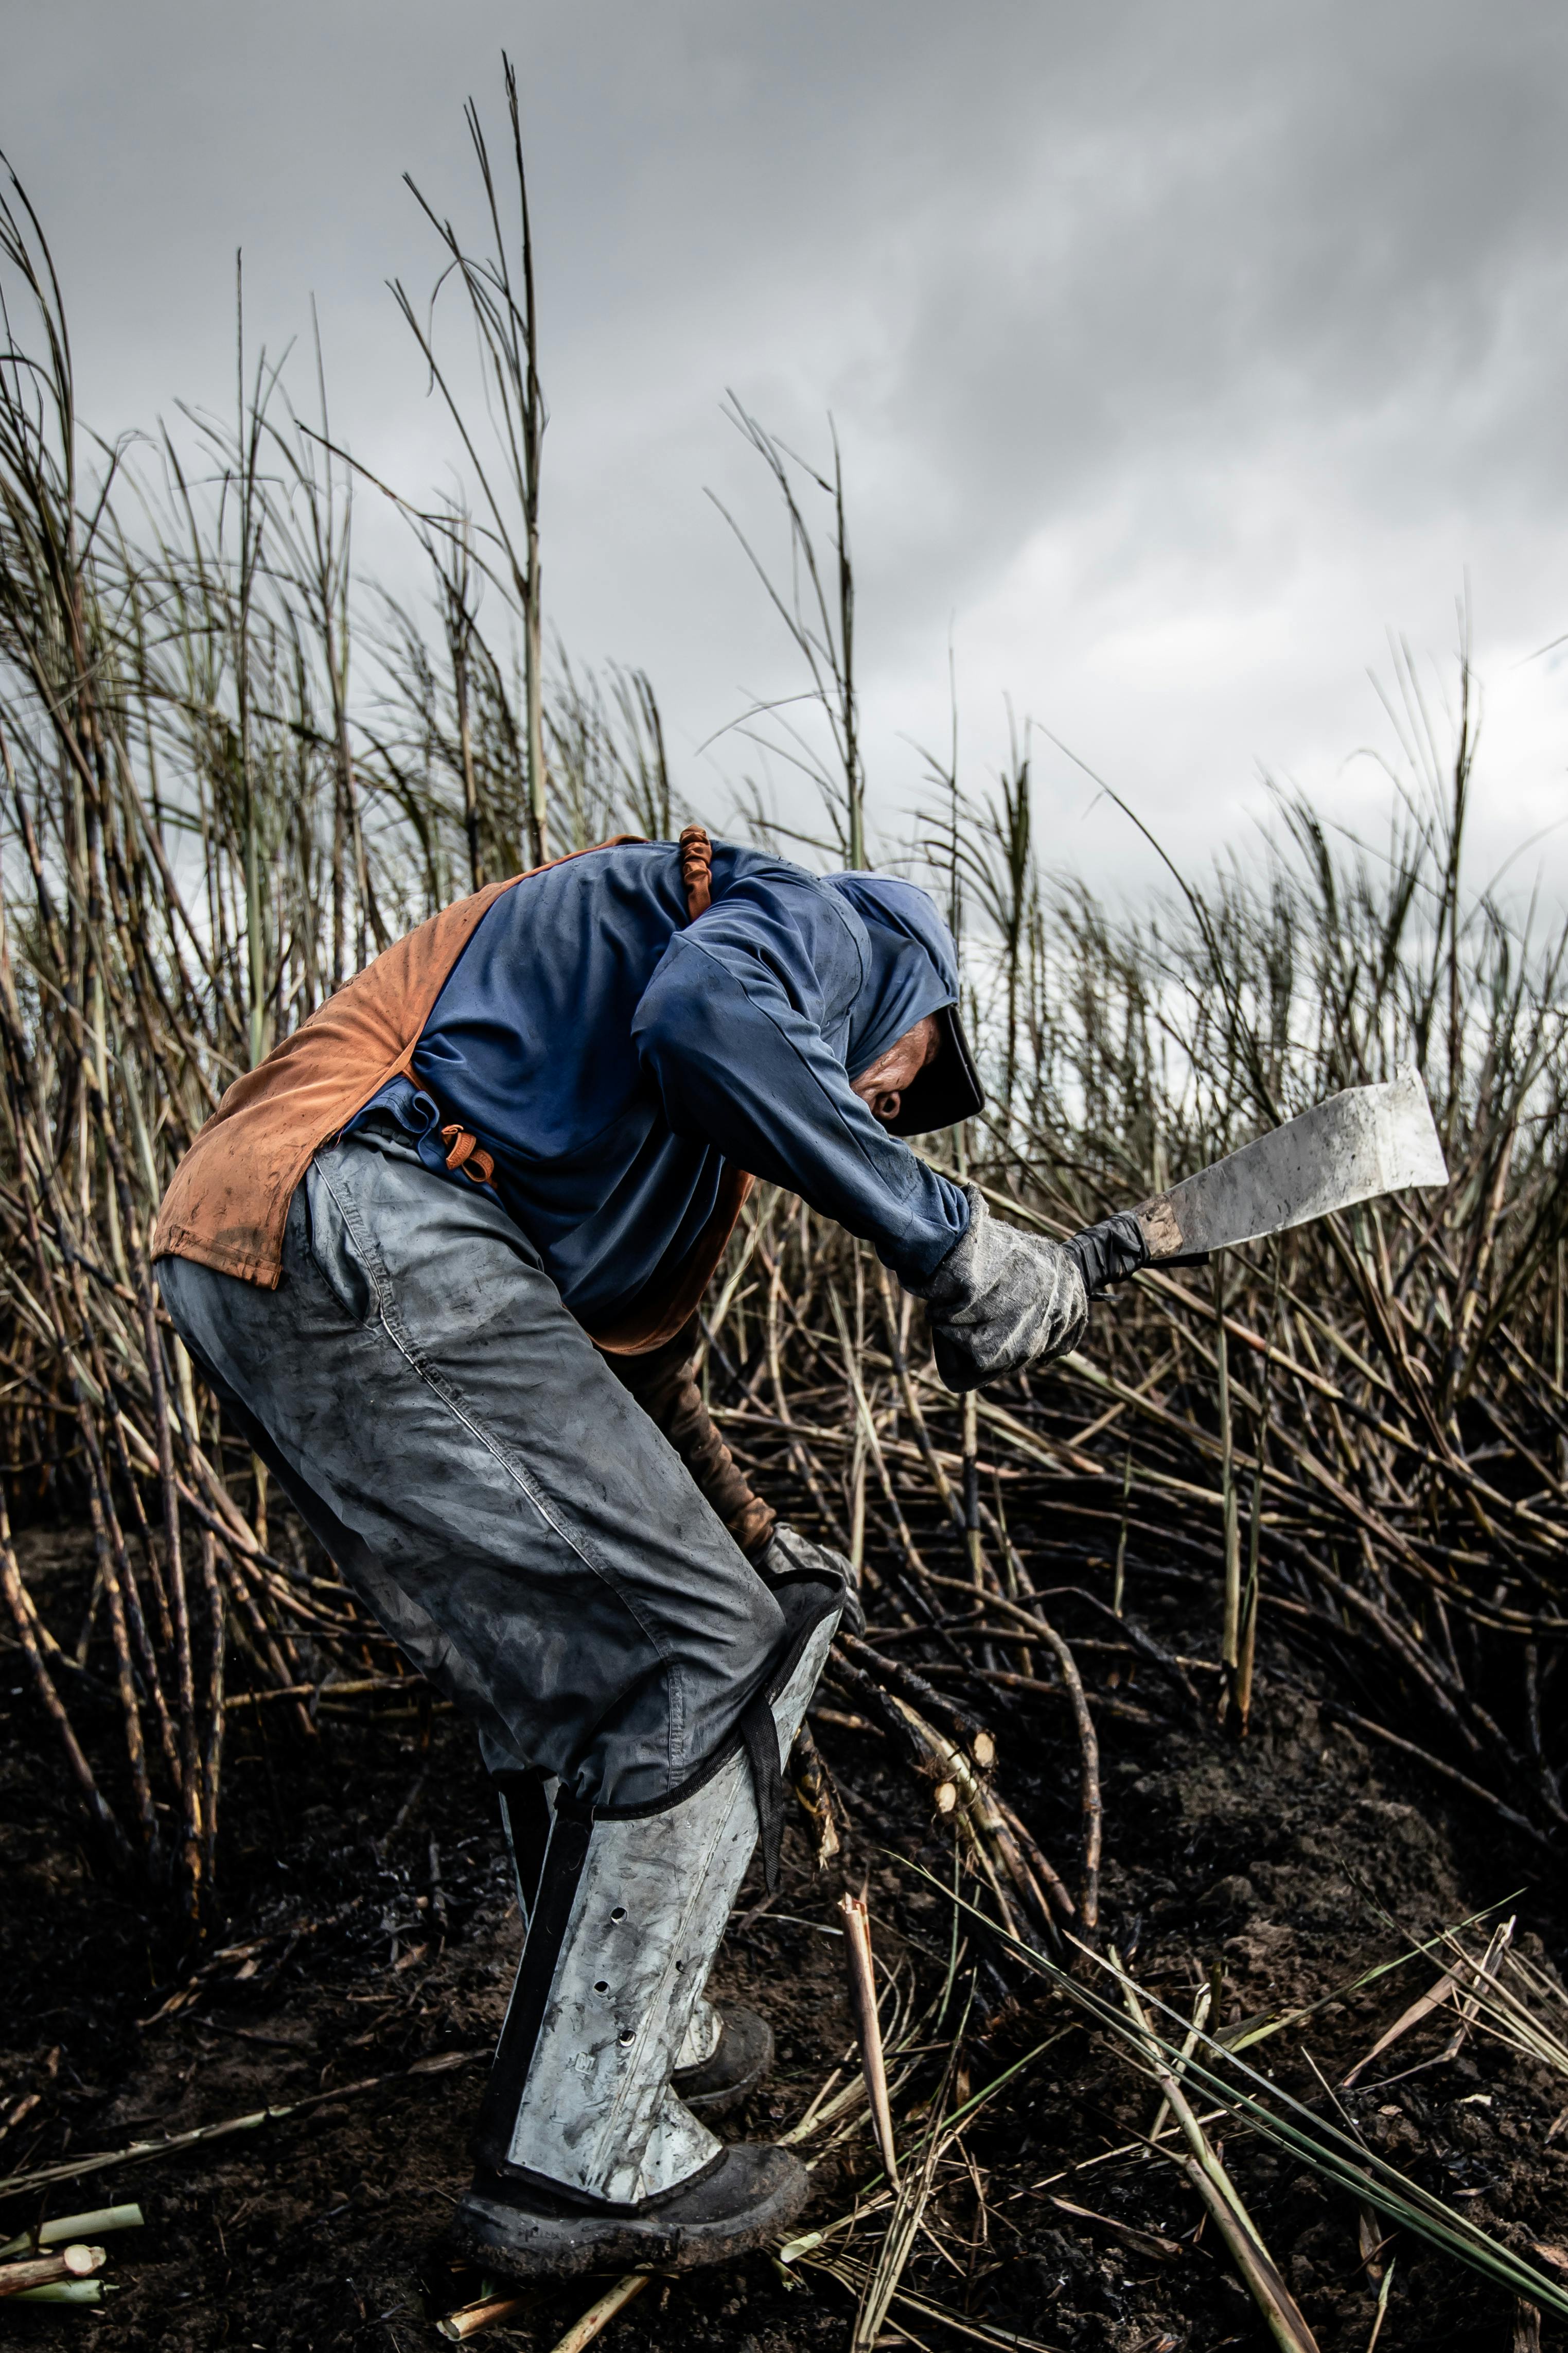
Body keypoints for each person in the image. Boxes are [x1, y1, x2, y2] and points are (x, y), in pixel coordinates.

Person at [151, 827, 1147, 2276]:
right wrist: (954, 1240)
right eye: (909, 1069)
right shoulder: (835, 924)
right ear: (910, 990)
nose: (893, 1097)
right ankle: (583, 2157)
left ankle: (622, 2034)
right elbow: (711, 1017)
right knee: (688, 1649)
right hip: (359, 1193)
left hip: (277, 1236)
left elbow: (634, 1373)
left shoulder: (657, 1153)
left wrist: (760, 1537)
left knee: (598, 1662)